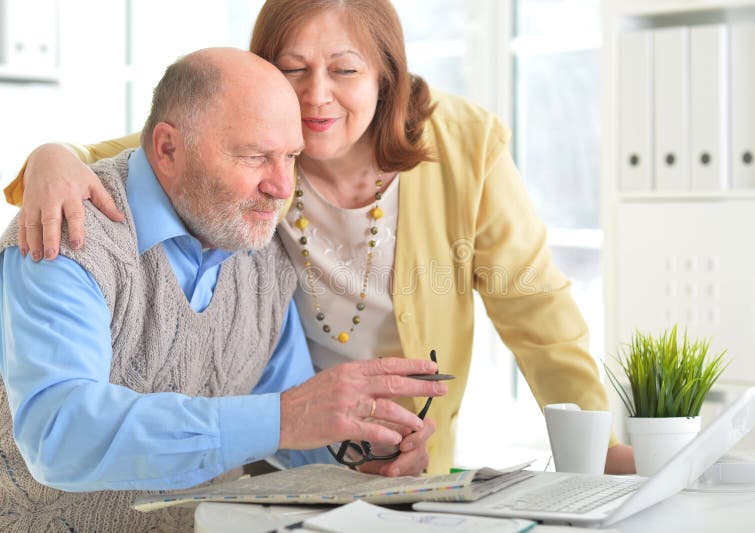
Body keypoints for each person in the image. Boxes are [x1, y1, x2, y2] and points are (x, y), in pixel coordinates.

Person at [5, 0, 635, 475]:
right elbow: (161, 147)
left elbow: (538, 314)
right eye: (293, 70)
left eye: (345, 69)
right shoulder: (248, 162)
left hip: (377, 457)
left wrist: (599, 451)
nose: (316, 96)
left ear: (386, 75)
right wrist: (54, 156)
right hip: (266, 451)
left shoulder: (463, 148)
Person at [0, 47, 445, 532]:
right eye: (254, 156)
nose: (281, 187)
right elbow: (59, 434)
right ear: (168, 149)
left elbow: (292, 420)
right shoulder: (66, 233)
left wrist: (363, 446)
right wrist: (285, 417)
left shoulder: (265, 258)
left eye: (291, 157)